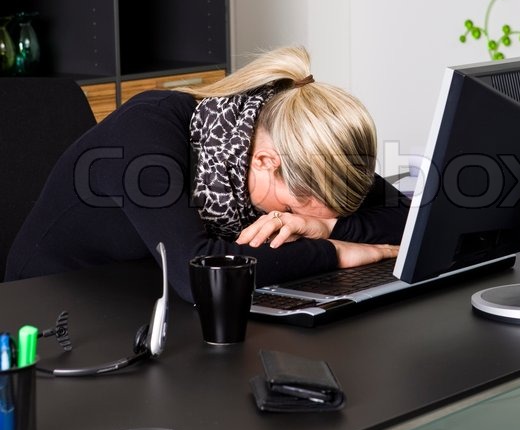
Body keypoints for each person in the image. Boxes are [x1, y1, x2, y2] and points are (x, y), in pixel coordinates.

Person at [5, 46, 408, 302]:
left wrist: (323, 225)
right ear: (267, 162)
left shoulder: (292, 141)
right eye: (294, 207)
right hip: (52, 308)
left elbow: (407, 217)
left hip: (151, 299)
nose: (299, 221)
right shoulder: (145, 134)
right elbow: (198, 272)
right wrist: (336, 251)